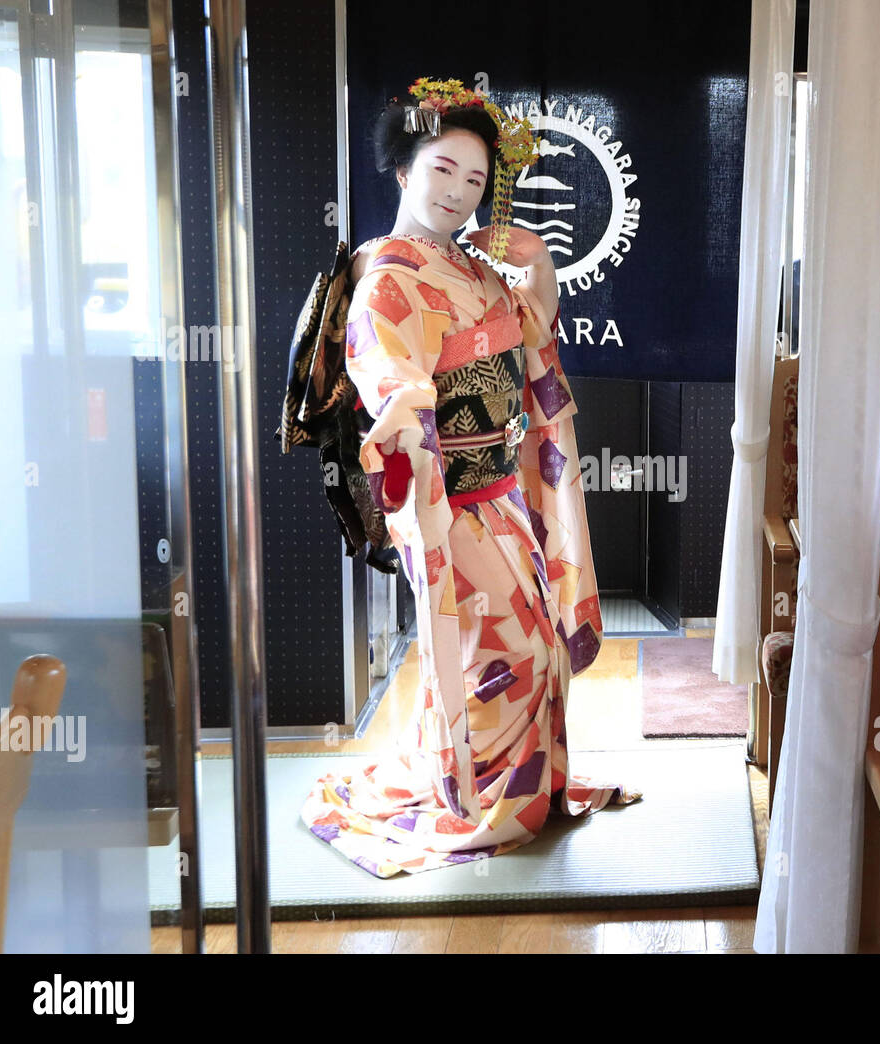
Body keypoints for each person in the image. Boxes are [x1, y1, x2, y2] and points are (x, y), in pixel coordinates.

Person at [300, 78, 639, 879]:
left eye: (475, 181)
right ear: (402, 171)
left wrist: (542, 275)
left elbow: (530, 359)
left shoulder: (475, 269)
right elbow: (389, 384)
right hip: (439, 497)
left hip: (501, 494)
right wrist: (418, 426)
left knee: (537, 645)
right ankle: (478, 794)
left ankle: (494, 780)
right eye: (442, 171)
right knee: (507, 650)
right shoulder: (384, 277)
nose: (457, 193)